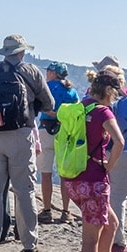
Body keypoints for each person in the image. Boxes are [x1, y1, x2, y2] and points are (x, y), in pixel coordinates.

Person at [0, 35, 52, 252]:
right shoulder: (32, 72)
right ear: (22, 52)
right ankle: (29, 243)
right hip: (22, 134)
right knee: (24, 190)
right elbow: (49, 104)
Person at [67, 71, 127, 252]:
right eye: (115, 94)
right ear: (109, 91)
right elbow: (119, 142)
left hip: (74, 179)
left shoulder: (79, 106)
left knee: (111, 224)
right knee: (90, 240)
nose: (115, 99)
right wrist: (108, 167)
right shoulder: (103, 111)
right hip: (93, 181)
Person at [95, 57, 127, 252]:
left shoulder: (94, 100)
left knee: (101, 195)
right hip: (123, 153)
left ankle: (99, 237)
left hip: (98, 152)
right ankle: (117, 242)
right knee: (118, 198)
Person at [38, 62, 81, 225]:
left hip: (45, 130)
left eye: (48, 71)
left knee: (46, 173)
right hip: (65, 131)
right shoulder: (72, 90)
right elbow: (77, 111)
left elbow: (39, 106)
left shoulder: (46, 87)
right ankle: (65, 211)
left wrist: (50, 113)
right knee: (64, 173)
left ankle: (47, 210)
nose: (47, 73)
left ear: (54, 73)